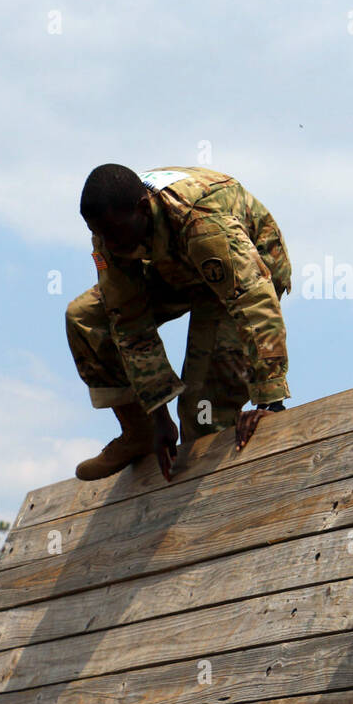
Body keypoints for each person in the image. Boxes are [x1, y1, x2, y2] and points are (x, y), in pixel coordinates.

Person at [67, 164, 291, 480]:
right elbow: (130, 324)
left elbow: (253, 299)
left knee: (202, 407)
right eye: (100, 235)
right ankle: (137, 433)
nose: (110, 245)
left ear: (143, 209)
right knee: (86, 318)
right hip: (176, 268)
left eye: (115, 234)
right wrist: (158, 419)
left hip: (246, 271)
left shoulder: (202, 222)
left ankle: (223, 491)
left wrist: (270, 398)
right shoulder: (111, 231)